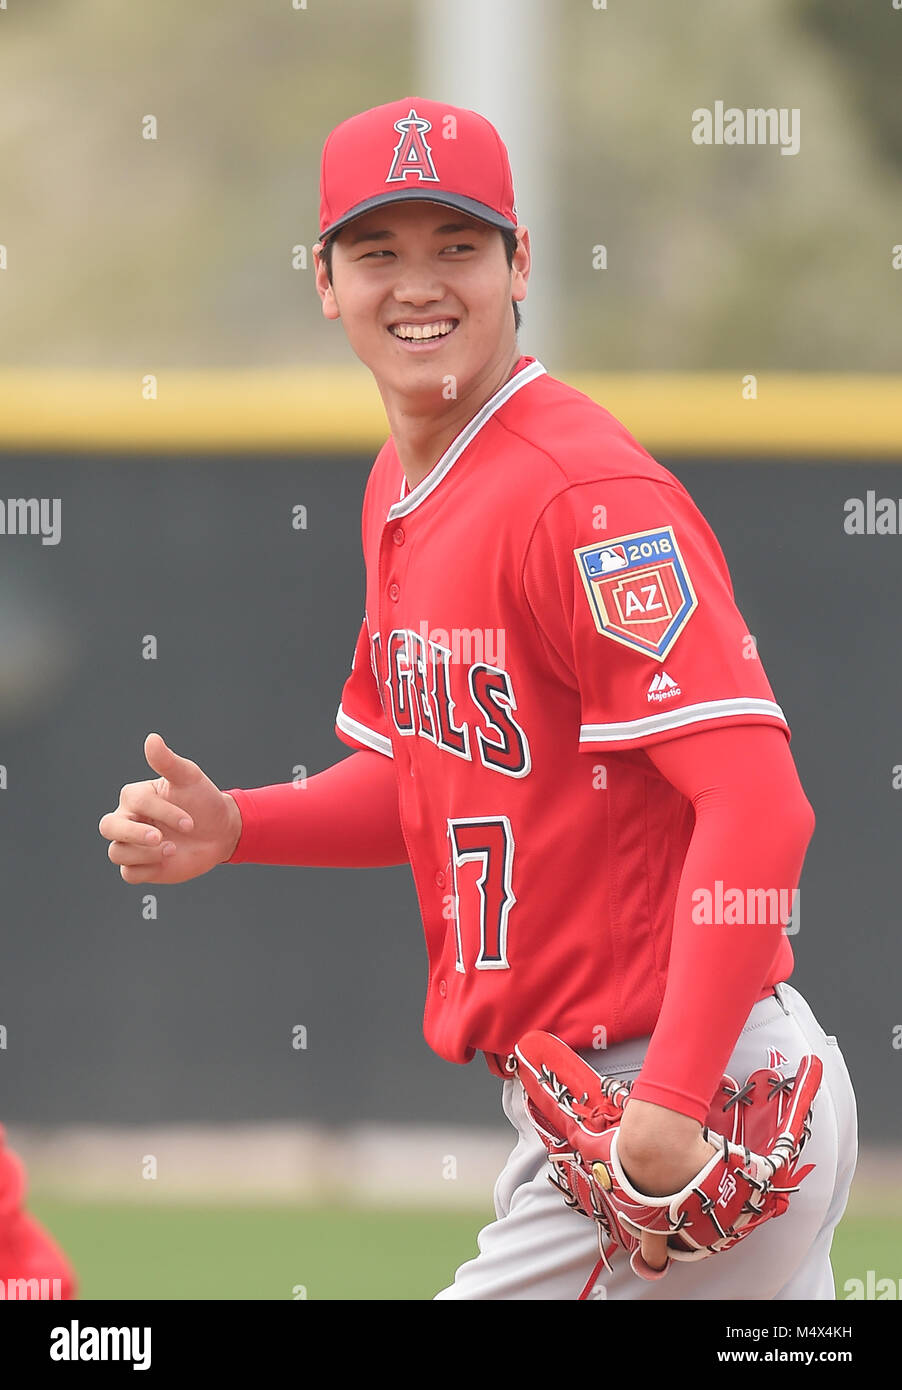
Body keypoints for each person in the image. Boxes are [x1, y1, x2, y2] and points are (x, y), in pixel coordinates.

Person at [99, 96, 857, 1300]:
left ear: (519, 265)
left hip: (681, 1100)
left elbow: (761, 806)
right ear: (324, 279)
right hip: (603, 1101)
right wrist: (241, 824)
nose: (417, 284)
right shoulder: (405, 489)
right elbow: (426, 775)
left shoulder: (581, 495)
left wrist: (666, 1102)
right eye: (377, 250)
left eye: (455, 246)